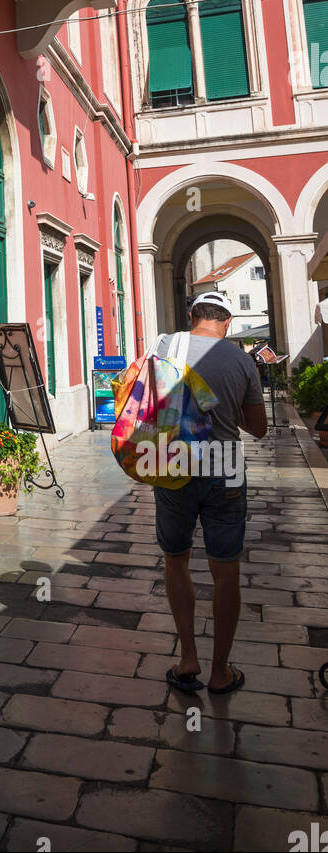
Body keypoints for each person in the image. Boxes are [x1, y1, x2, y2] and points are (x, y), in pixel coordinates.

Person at [152, 290, 267, 695]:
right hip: (226, 467)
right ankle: (220, 672)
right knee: (225, 569)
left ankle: (188, 659)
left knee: (176, 559)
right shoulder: (241, 359)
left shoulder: (164, 345)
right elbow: (259, 428)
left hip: (172, 464)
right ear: (228, 323)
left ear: (191, 316)